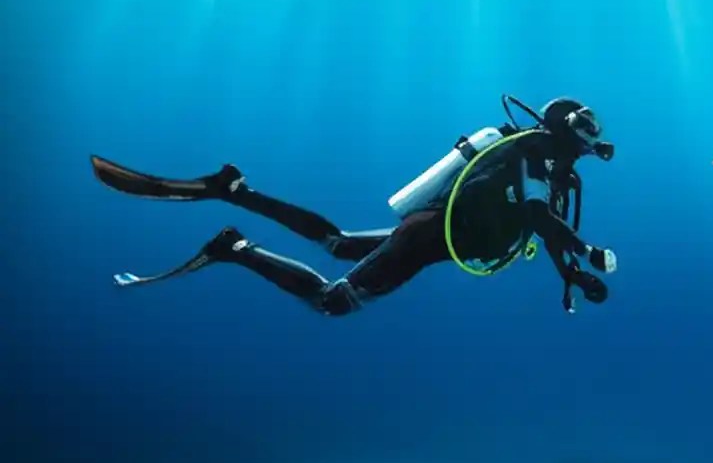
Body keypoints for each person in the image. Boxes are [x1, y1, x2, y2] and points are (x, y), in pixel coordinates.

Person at [90, 96, 619, 316]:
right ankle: (236, 247)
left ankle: (237, 192)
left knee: (340, 243)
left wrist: (569, 272)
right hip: (428, 238)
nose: (592, 137)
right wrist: (586, 252)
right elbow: (535, 216)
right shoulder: (533, 154)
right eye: (585, 127)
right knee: (333, 301)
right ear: (562, 128)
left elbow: (543, 225)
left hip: (434, 236)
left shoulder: (556, 174)